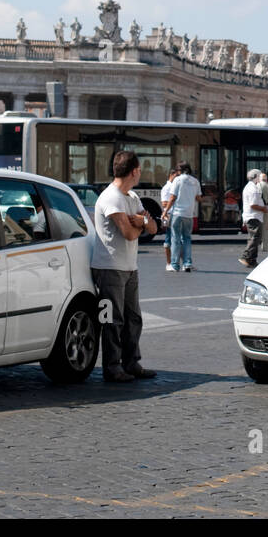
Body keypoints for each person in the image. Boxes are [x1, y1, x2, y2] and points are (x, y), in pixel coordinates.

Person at [92, 150, 158, 383]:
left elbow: (154, 229)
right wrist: (141, 223)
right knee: (111, 319)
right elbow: (129, 233)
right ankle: (112, 367)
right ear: (134, 171)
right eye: (140, 170)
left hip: (130, 267)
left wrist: (142, 222)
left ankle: (132, 362)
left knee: (133, 318)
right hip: (109, 267)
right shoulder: (111, 198)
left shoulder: (132, 198)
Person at [167, 162, 201, 272]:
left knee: (175, 239)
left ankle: (175, 265)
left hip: (177, 213)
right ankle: (187, 263)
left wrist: (165, 212)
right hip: (189, 214)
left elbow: (172, 198)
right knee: (187, 238)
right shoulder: (195, 181)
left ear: (179, 171)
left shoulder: (178, 180)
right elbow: (198, 198)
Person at [239, 169, 267, 268]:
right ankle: (246, 256)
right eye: (259, 176)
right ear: (256, 176)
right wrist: (264, 209)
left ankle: (252, 260)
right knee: (254, 238)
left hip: (253, 216)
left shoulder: (251, 187)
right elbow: (253, 205)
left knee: (254, 238)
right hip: (253, 216)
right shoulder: (253, 189)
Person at [159, 168, 178, 271]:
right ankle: (169, 263)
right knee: (169, 239)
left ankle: (181, 263)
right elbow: (164, 203)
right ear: (172, 174)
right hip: (170, 215)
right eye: (176, 176)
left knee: (176, 239)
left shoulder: (173, 186)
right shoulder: (167, 188)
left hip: (174, 214)